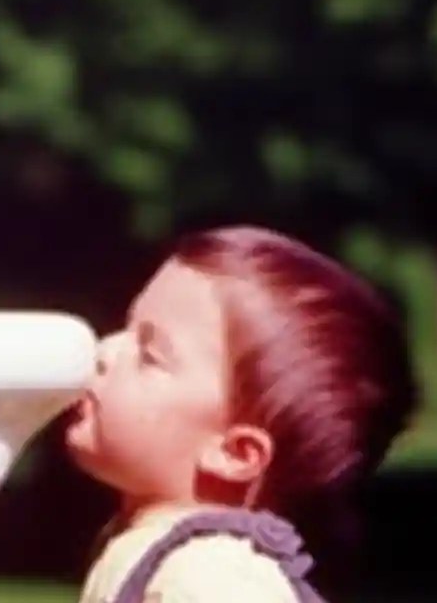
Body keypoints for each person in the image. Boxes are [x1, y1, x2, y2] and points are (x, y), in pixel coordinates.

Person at [67, 226, 418, 602]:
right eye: (126, 327)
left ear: (235, 453)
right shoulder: (151, 543)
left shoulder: (211, 575)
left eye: (148, 355)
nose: (105, 350)